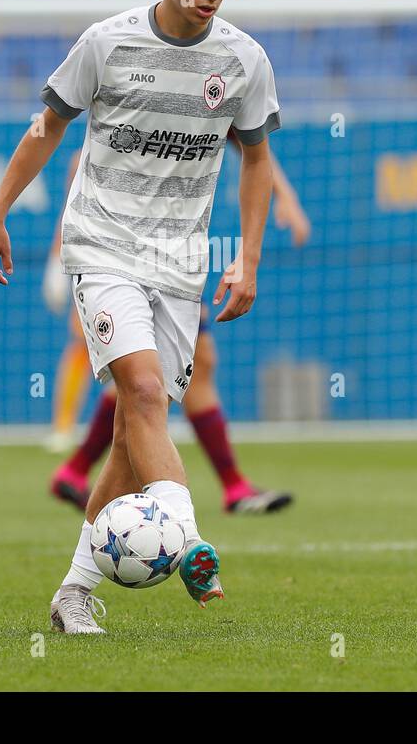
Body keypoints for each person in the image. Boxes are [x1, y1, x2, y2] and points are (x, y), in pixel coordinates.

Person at [0, 0, 279, 633]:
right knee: (140, 393)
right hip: (103, 246)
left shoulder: (243, 61)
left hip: (182, 263)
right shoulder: (106, 44)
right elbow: (46, 128)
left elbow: (258, 159)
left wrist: (247, 259)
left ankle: (74, 592)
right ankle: (191, 533)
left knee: (126, 438)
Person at [48, 135, 310, 515]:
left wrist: (286, 196)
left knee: (163, 374)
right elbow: (78, 162)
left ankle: (76, 471)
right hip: (139, 257)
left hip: (172, 252)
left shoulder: (215, 88)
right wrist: (60, 251)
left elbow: (250, 140)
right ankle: (228, 489)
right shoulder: (130, 106)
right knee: (154, 376)